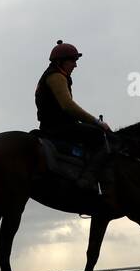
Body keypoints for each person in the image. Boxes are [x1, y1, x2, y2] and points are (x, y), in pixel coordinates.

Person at [35, 40, 113, 191]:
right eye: (73, 61)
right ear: (60, 61)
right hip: (58, 127)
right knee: (100, 137)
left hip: (53, 125)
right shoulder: (56, 76)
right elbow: (68, 106)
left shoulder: (54, 75)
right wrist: (97, 122)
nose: (75, 65)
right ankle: (87, 180)